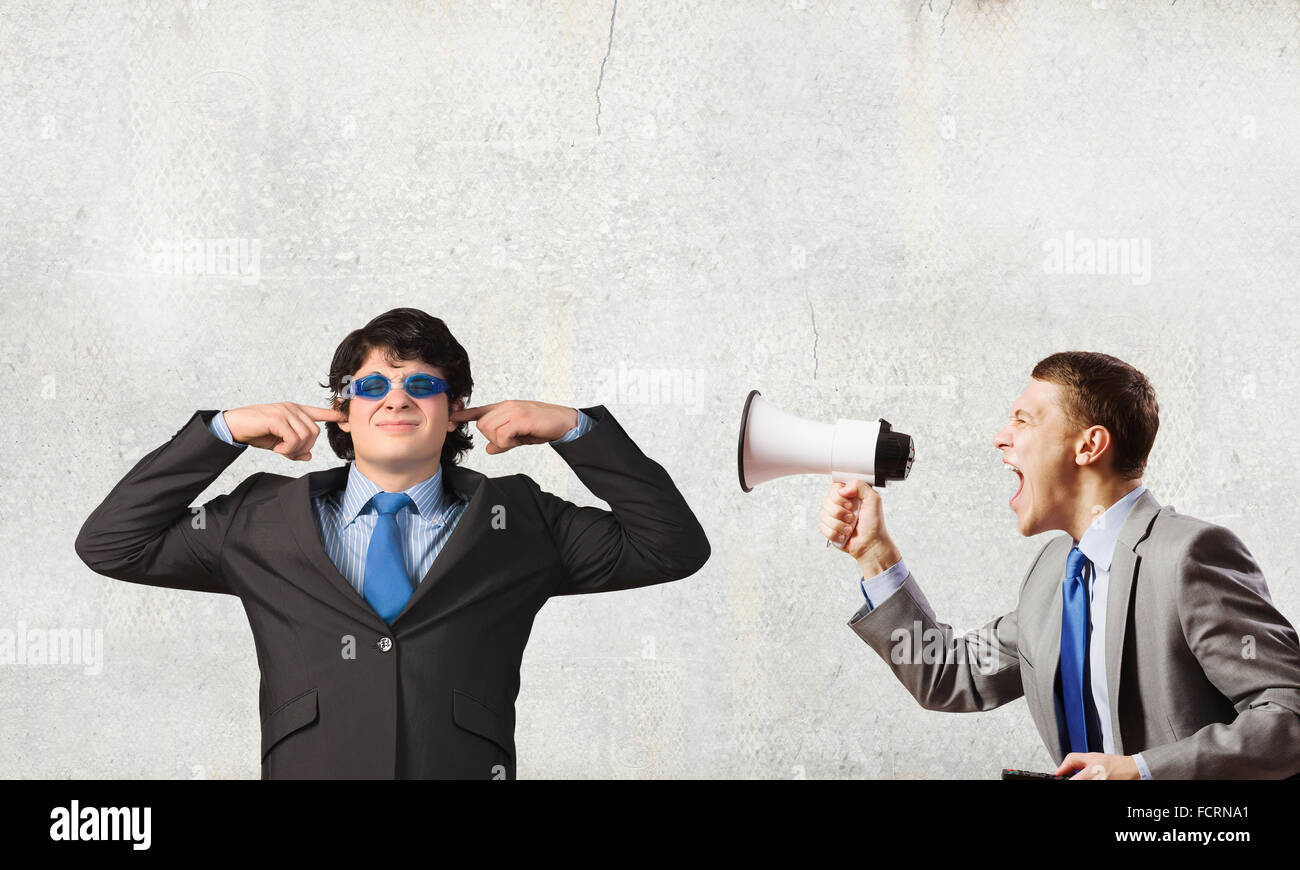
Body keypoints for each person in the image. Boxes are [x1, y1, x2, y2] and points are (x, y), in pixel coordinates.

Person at [75, 307, 710, 779]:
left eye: (423, 386)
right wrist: (222, 431)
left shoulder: (520, 519)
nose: (397, 398)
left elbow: (672, 547)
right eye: (373, 387)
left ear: (457, 407)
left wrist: (575, 430)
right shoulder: (261, 514)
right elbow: (112, 543)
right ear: (341, 410)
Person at [819, 351, 1300, 779]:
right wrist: (873, 553)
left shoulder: (1189, 555)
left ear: (1089, 446)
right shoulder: (1053, 575)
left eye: (1023, 421)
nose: (1000, 438)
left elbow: (1288, 714)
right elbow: (948, 675)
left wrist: (1143, 771)